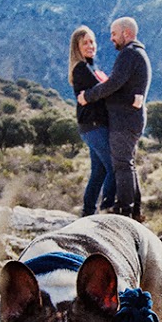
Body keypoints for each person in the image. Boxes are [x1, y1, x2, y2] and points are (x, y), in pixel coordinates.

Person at [78, 15, 150, 220]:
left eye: (114, 34)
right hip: (131, 119)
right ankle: (134, 211)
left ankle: (124, 210)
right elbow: (122, 87)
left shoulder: (129, 54)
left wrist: (88, 96)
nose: (111, 38)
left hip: (124, 121)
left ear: (126, 33)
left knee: (121, 164)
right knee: (127, 164)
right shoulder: (137, 54)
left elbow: (114, 83)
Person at [67, 25, 115, 216]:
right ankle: (108, 211)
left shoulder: (91, 65)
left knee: (99, 171)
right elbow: (103, 92)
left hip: (95, 125)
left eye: (92, 41)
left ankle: (87, 214)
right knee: (113, 166)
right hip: (93, 125)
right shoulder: (81, 68)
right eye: (85, 42)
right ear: (76, 47)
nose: (90, 45)